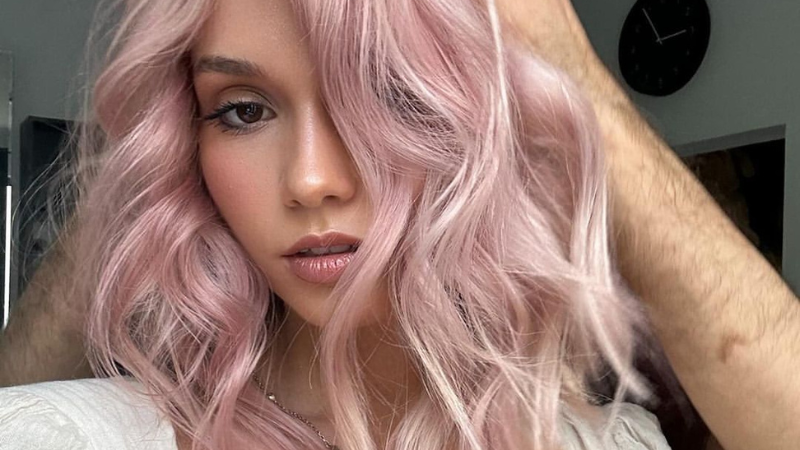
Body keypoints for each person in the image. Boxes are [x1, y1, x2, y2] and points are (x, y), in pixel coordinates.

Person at [0, 1, 797, 450]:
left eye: (393, 96)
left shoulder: (609, 444)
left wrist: (574, 81)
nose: (311, 180)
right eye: (242, 111)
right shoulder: (55, 437)